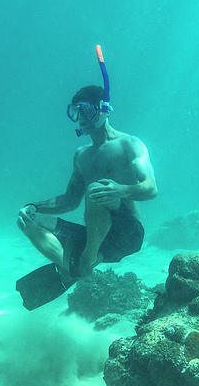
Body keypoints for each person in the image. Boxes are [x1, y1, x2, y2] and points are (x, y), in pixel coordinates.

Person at [17, 85, 158, 280]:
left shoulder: (130, 144)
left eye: (85, 110)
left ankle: (87, 259)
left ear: (103, 109)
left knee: (95, 189)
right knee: (27, 220)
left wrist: (121, 190)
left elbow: (151, 188)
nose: (80, 118)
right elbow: (69, 201)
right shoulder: (81, 155)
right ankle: (75, 269)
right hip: (97, 237)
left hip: (128, 235)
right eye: (75, 112)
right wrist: (33, 206)